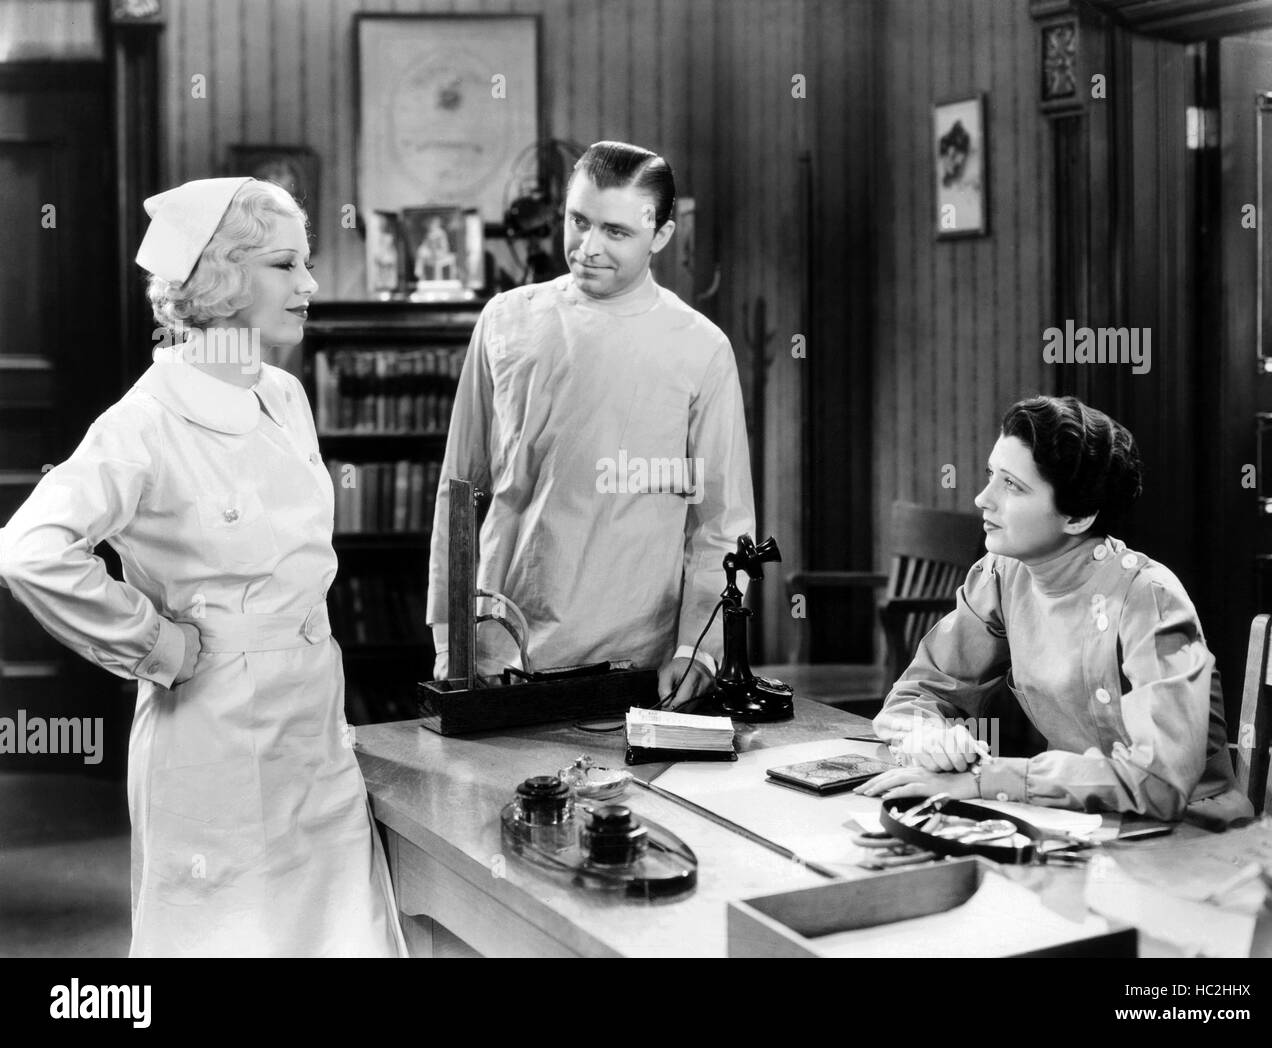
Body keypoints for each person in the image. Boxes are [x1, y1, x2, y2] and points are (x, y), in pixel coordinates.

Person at [0, 177, 407, 956]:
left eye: (305, 263)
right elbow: (29, 551)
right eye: (285, 265)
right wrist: (157, 645)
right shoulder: (144, 424)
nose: (311, 285)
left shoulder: (285, 396)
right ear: (220, 281)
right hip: (213, 737)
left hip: (316, 722)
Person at [426, 141, 755, 706]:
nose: (588, 247)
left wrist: (698, 650)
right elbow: (459, 490)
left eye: (616, 232)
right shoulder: (505, 320)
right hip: (499, 651)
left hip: (637, 664)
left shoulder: (700, 348)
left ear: (661, 237)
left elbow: (721, 524)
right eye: (578, 221)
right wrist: (447, 635)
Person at [862, 396, 1253, 827]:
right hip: (1067, 824)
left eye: (1012, 485)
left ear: (1078, 516)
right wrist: (927, 736)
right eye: (992, 475)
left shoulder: (1151, 599)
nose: (982, 498)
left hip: (1189, 838)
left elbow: (1159, 781)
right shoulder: (1001, 574)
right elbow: (920, 692)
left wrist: (987, 779)